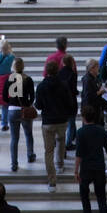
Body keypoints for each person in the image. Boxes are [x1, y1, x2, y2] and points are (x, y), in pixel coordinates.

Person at [74, 105, 107, 213]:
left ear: (83, 117)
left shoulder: (80, 132)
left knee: (84, 194)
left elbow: (79, 154)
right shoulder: (101, 130)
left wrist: (76, 170)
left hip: (86, 168)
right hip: (99, 167)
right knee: (101, 197)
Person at [36, 59, 72, 191]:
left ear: (46, 71)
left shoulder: (41, 86)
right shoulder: (64, 85)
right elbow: (69, 102)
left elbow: (38, 105)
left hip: (48, 122)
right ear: (57, 71)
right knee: (61, 141)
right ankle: (60, 164)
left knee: (49, 151)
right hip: (62, 120)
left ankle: (52, 181)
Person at [4, 56, 36, 170]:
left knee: (14, 138)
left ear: (13, 66)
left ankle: (14, 163)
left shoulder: (9, 79)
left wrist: (11, 102)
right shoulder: (28, 79)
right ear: (23, 66)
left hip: (12, 110)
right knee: (28, 134)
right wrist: (28, 104)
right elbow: (32, 96)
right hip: (24, 110)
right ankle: (30, 154)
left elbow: (4, 97)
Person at [59, 53, 79, 151]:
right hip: (71, 101)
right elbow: (74, 89)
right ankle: (68, 143)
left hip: (61, 101)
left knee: (63, 123)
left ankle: (62, 141)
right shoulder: (73, 74)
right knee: (71, 122)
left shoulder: (58, 73)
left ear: (63, 63)